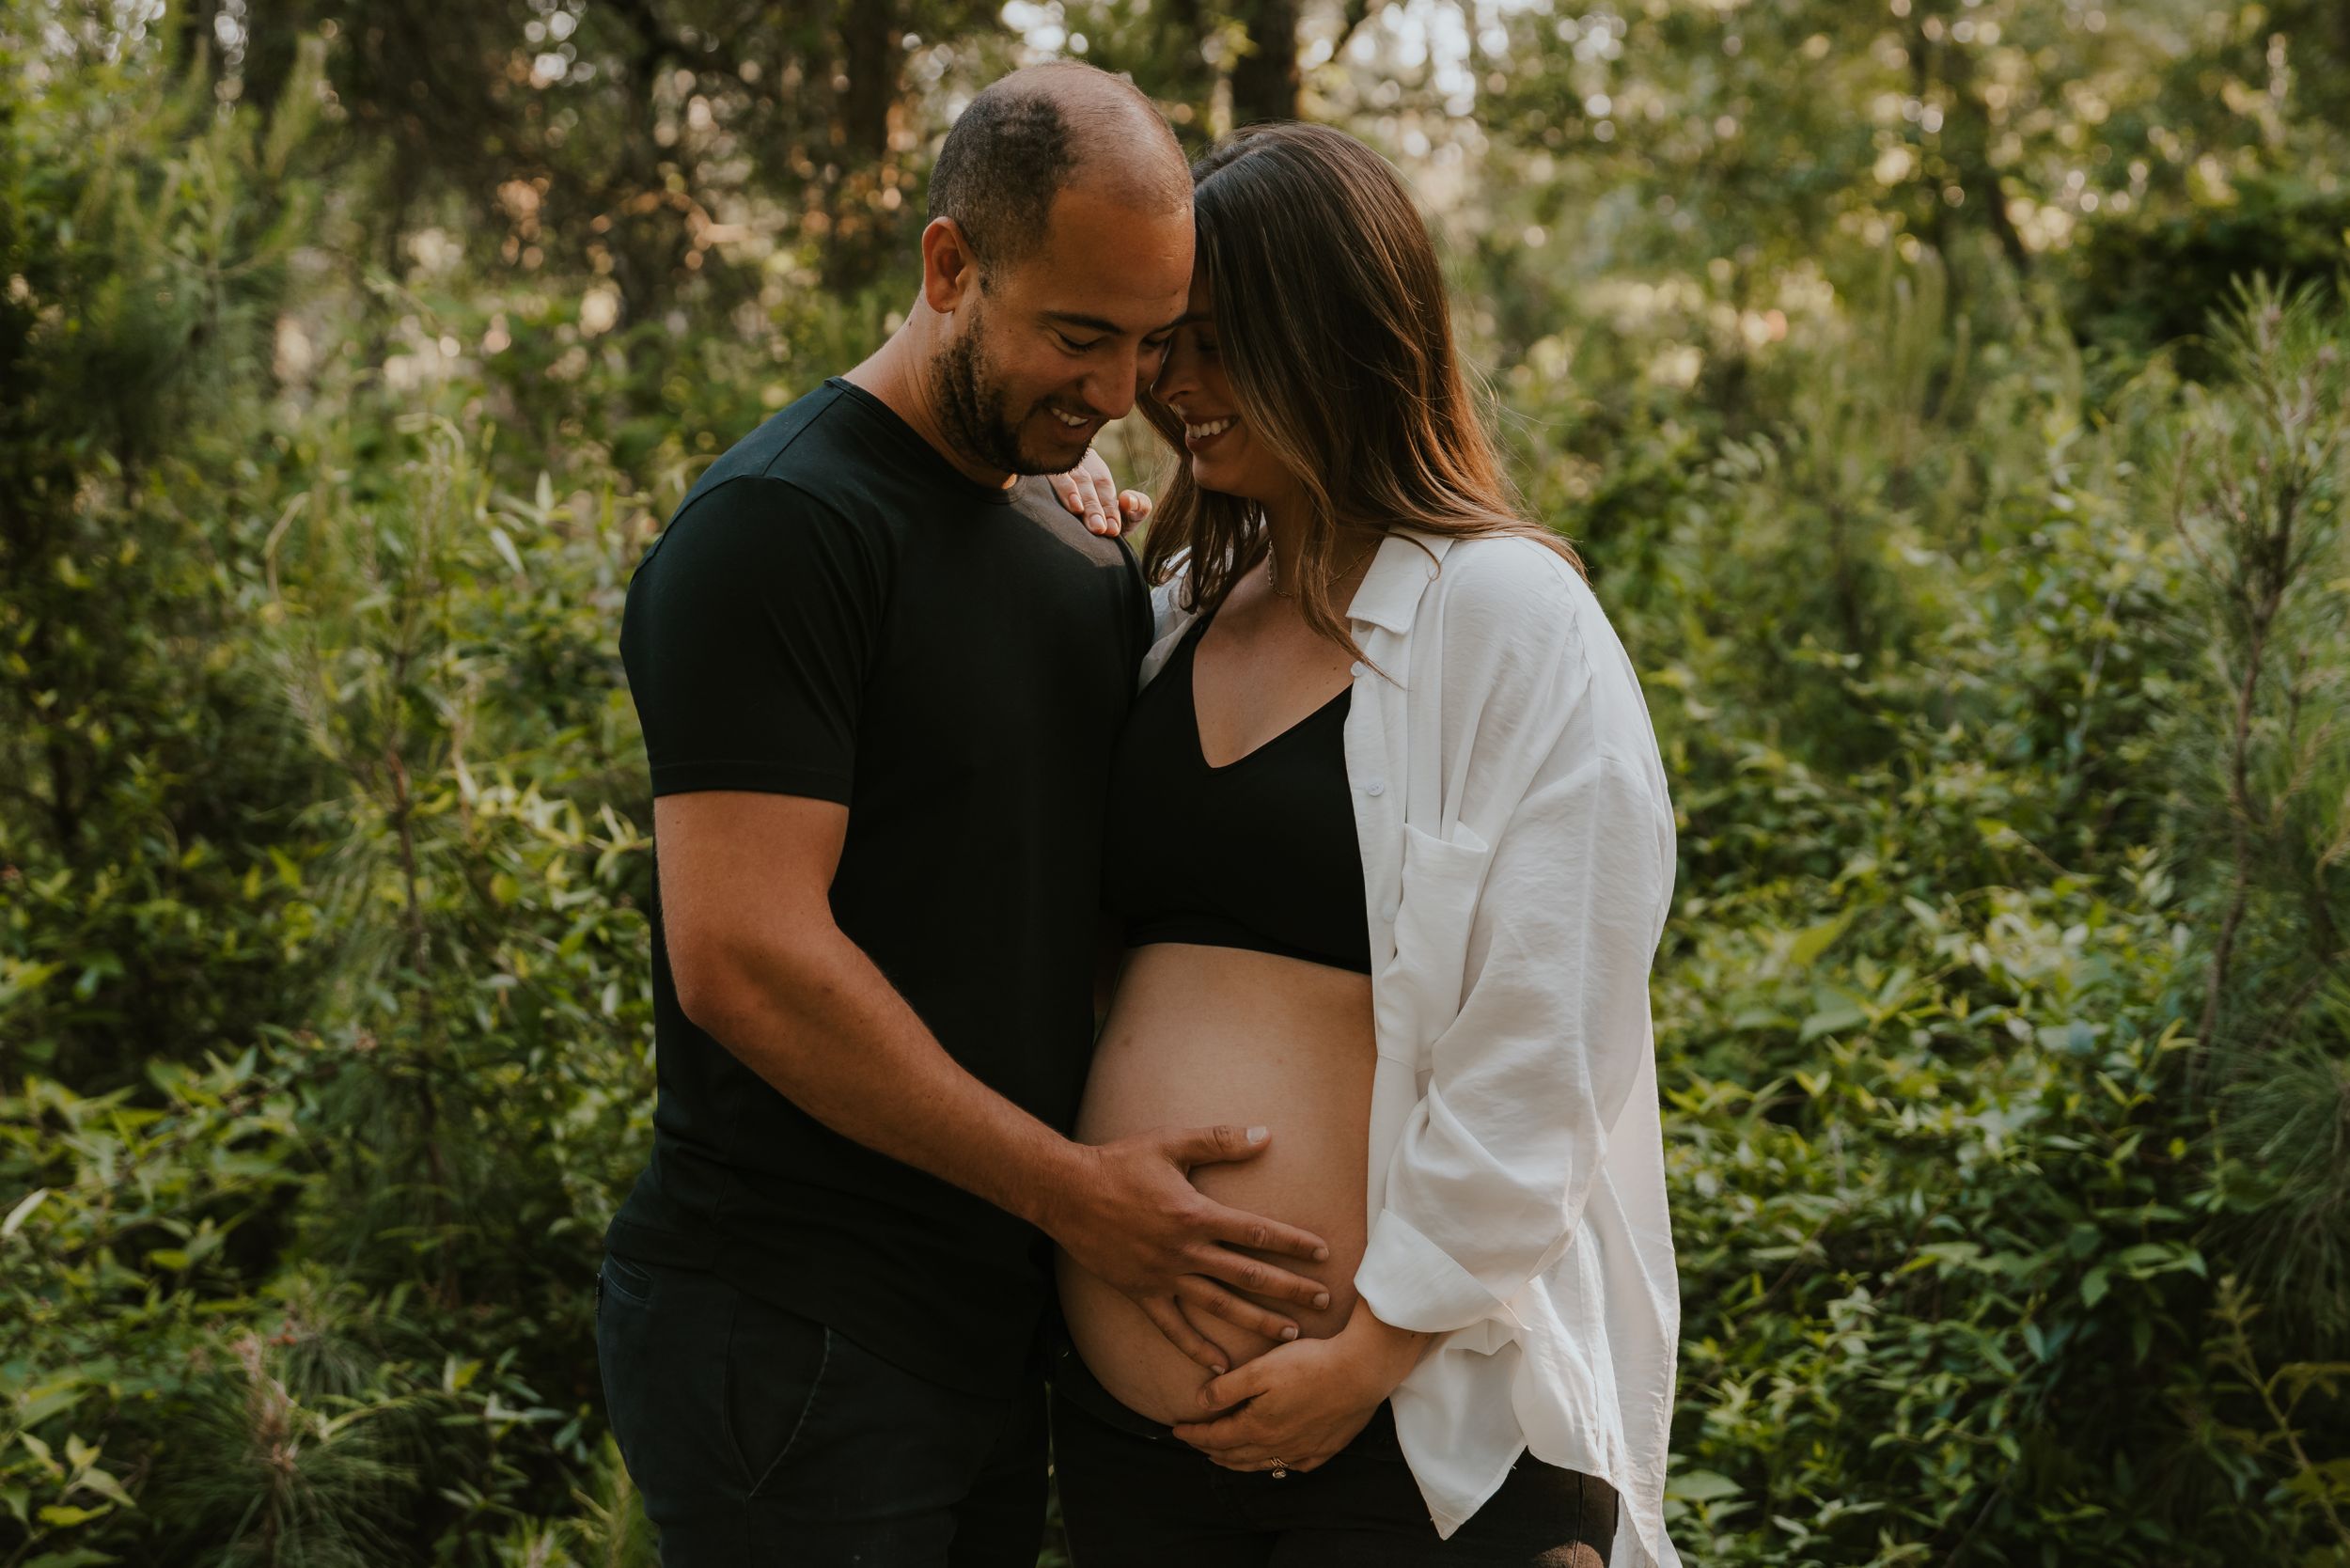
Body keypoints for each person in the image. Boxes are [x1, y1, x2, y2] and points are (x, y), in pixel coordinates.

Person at [595, 66, 1342, 1567]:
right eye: (1078, 336)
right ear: (951, 268)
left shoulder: (1073, 543)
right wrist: (1078, 1198)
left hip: (992, 1326)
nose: (1121, 394)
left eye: (1149, 346)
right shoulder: (780, 532)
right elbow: (743, 958)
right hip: (798, 1326)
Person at [1047, 122, 1684, 1567]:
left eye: (1216, 344)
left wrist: (1370, 1348)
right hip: (1133, 1452)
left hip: (1417, 1434)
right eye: (1164, 346)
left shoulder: (1504, 618)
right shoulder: (1174, 619)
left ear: (1336, 337)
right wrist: (1062, 528)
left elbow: (1553, 1026)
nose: (1172, 389)